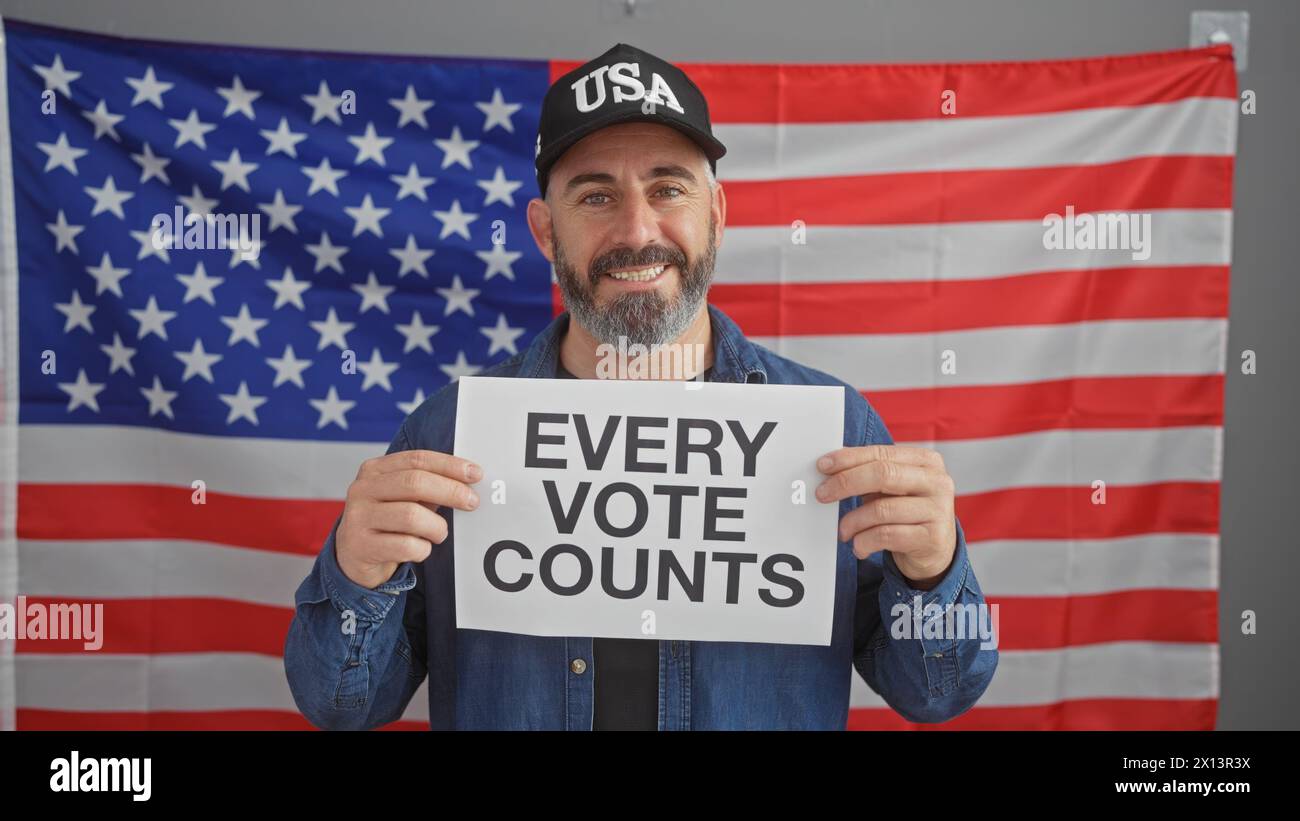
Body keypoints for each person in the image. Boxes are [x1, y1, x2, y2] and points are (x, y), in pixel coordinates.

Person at [284, 42, 997, 730]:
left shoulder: (835, 432)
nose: (636, 229)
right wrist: (356, 570)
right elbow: (340, 705)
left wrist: (934, 573)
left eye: (668, 188)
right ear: (544, 230)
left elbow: (938, 692)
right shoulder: (447, 434)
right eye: (595, 196)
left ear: (716, 214)